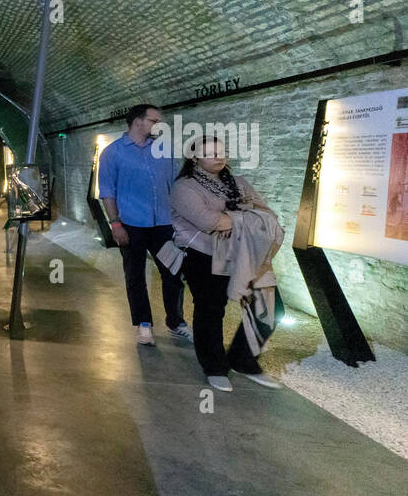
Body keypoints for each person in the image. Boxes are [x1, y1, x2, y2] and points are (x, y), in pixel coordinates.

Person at [170, 135, 284, 392]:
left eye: (222, 151)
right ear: (194, 157)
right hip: (204, 256)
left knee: (271, 308)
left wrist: (239, 218)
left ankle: (243, 359)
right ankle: (214, 366)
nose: (219, 156)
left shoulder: (239, 182)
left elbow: (268, 215)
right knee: (211, 311)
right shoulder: (184, 188)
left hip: (247, 254)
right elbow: (211, 222)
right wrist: (249, 218)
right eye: (210, 153)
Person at [98, 104, 190, 346]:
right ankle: (144, 324)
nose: (159, 125)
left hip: (163, 225)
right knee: (135, 275)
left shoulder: (164, 150)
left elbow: (176, 186)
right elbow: (108, 192)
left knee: (172, 273)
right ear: (137, 121)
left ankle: (176, 321)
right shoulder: (112, 153)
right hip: (131, 224)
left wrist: (180, 220)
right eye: (154, 120)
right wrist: (115, 224)